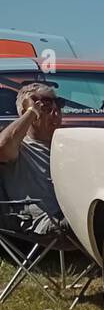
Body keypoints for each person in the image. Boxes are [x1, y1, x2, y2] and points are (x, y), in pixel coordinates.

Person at [0, 82, 67, 234]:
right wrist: (31, 112)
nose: (55, 113)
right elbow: (2, 148)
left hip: (77, 211)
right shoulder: (20, 147)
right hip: (44, 222)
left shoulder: (68, 145)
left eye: (58, 106)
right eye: (46, 107)